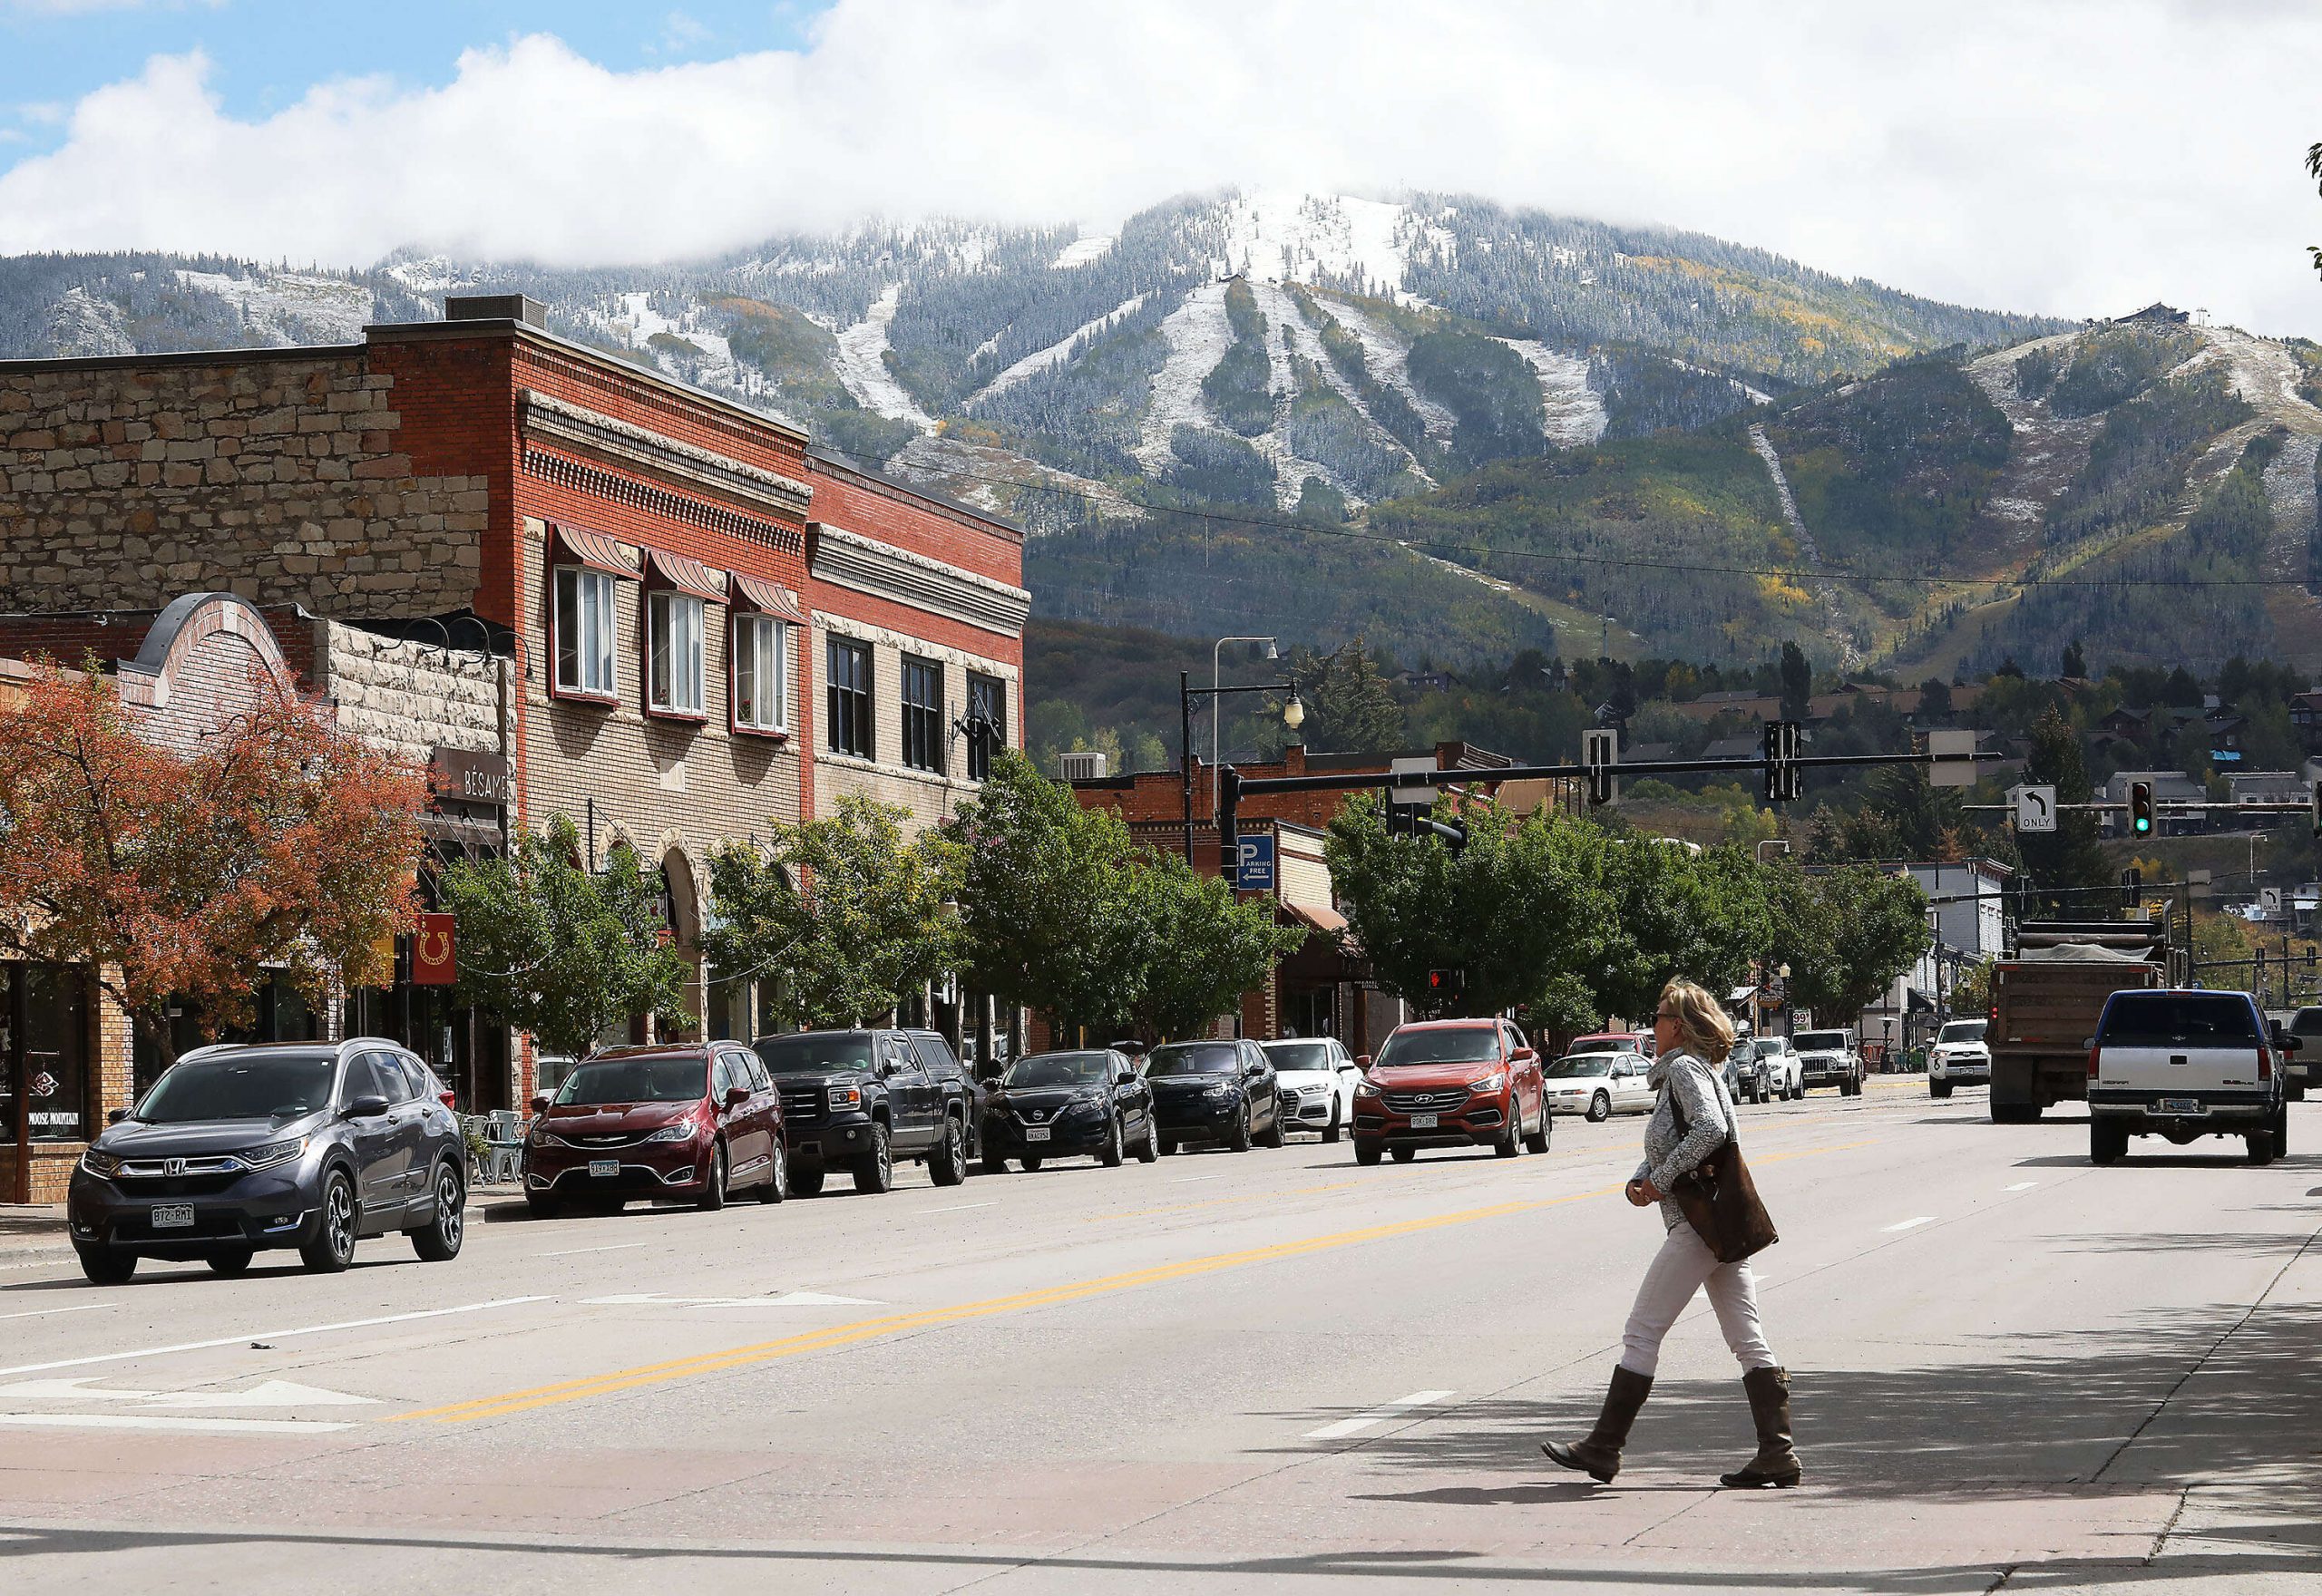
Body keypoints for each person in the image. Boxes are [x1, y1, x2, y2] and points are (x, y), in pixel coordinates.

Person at [1542, 977, 1800, 1488]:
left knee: (1642, 1331)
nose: (1651, 1024)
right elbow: (1681, 1138)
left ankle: (1604, 1446)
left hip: (1697, 1228)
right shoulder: (1693, 1071)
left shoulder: (1684, 1069)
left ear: (1677, 1027)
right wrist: (1645, 1175)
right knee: (1748, 1340)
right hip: (1718, 1225)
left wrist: (1658, 1183)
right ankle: (1777, 1451)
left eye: (1658, 1016)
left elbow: (1710, 1130)